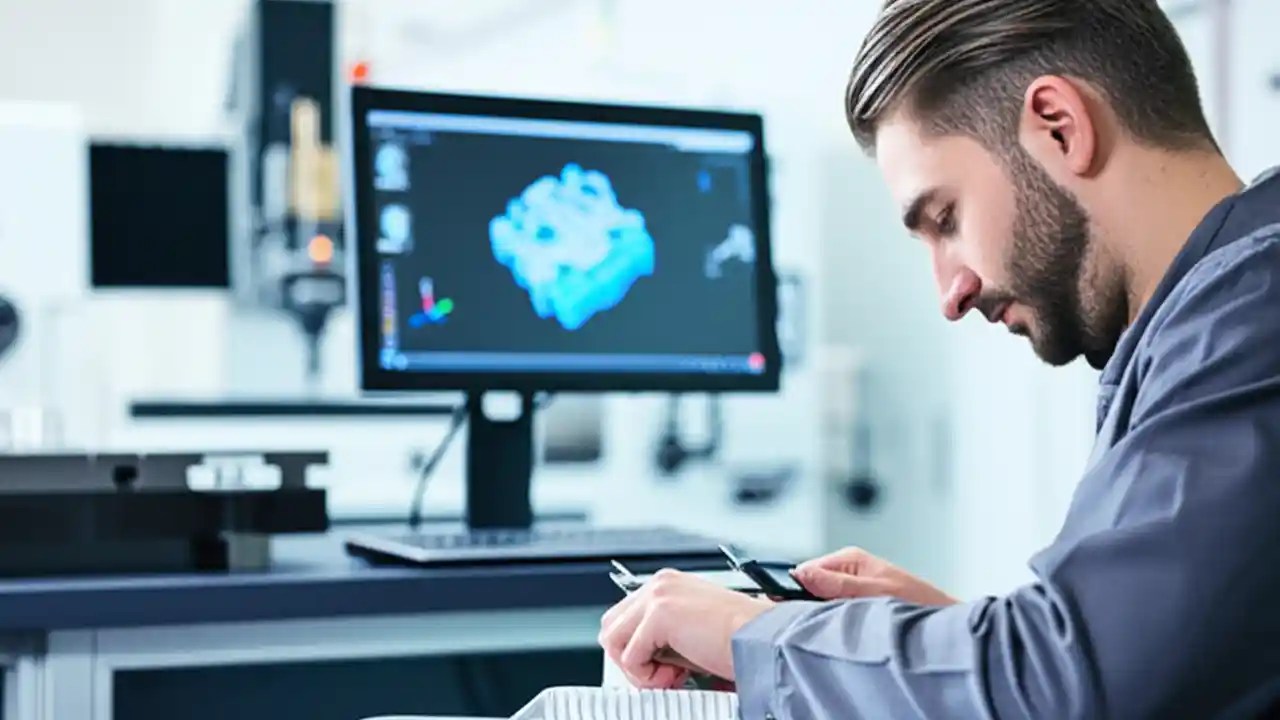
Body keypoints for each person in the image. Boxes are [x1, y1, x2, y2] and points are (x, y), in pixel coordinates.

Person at [598, 0, 1280, 716]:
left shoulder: (1252, 315)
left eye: (945, 219)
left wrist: (757, 633)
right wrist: (954, 638)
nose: (950, 294)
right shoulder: (1213, 319)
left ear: (1059, 126)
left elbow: (1074, 689)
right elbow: (1149, 671)